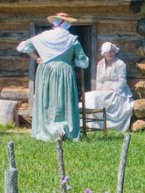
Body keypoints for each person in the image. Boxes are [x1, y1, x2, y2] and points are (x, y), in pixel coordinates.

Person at [17, 13, 89, 141]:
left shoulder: (43, 37)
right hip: (64, 71)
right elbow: (83, 61)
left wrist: (37, 58)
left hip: (46, 70)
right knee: (64, 99)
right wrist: (74, 62)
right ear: (67, 24)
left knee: (47, 99)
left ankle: (45, 130)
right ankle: (66, 130)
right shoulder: (72, 39)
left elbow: (23, 47)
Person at [84, 42, 134, 132]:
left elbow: (122, 81)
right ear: (104, 53)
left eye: (113, 52)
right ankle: (91, 123)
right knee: (89, 95)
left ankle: (100, 123)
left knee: (98, 97)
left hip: (118, 90)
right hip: (104, 89)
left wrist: (115, 89)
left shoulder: (119, 64)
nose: (112, 54)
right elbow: (99, 80)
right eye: (109, 52)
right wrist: (99, 88)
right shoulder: (100, 64)